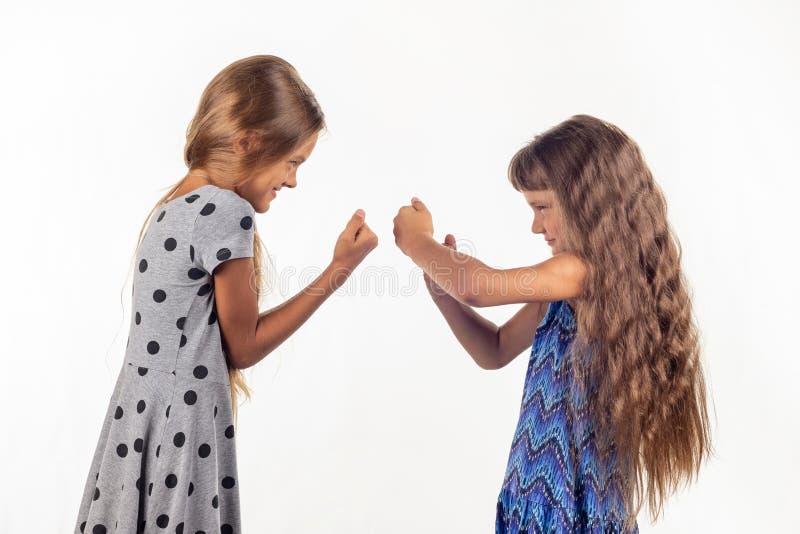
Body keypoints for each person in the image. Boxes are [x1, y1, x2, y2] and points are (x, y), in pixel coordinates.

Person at [74, 55, 378, 534]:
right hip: (181, 432)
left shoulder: (173, 203)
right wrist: (338, 271)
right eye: (293, 161)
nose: (293, 180)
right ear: (248, 142)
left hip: (138, 426)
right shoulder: (225, 210)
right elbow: (245, 346)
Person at [393, 114, 713, 533]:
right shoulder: (565, 295)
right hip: (538, 498)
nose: (535, 225)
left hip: (565, 510)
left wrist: (418, 242)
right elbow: (494, 349)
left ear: (589, 201)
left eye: (542, 207)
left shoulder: (581, 274)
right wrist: (440, 290)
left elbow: (477, 286)